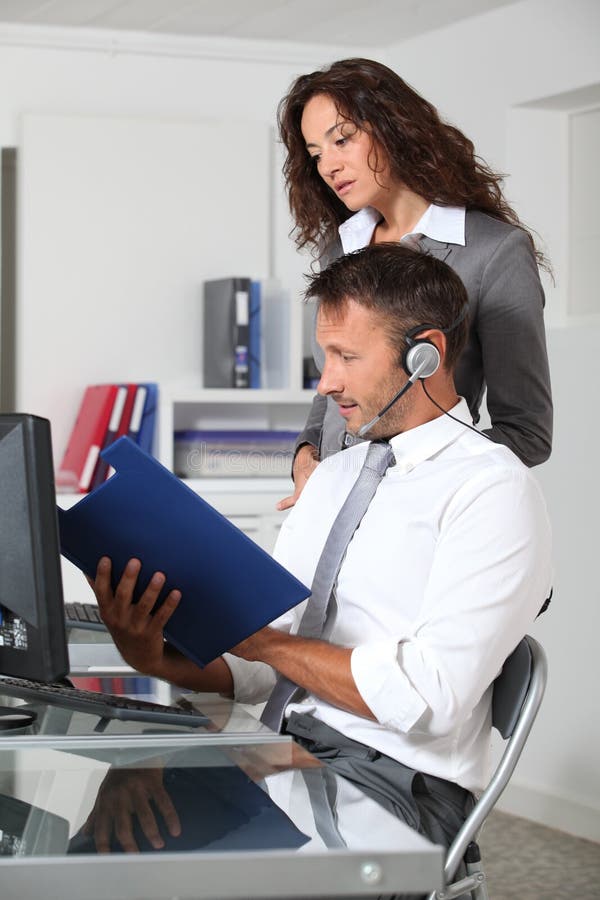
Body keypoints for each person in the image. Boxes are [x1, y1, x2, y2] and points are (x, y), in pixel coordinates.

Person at [90, 245, 552, 855]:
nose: (326, 382)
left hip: (393, 786)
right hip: (279, 751)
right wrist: (155, 657)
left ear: (426, 355)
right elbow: (265, 670)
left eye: (347, 356)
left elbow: (428, 697)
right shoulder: (333, 478)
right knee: (111, 835)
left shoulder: (491, 488)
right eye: (324, 354)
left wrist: (261, 641)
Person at [276, 57, 553, 510]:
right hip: (329, 501)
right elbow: (333, 384)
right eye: (316, 155)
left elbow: (527, 432)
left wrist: (416, 489)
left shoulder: (493, 252)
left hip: (419, 512)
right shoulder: (340, 247)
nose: (329, 166)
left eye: (342, 140)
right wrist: (308, 454)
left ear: (392, 127)